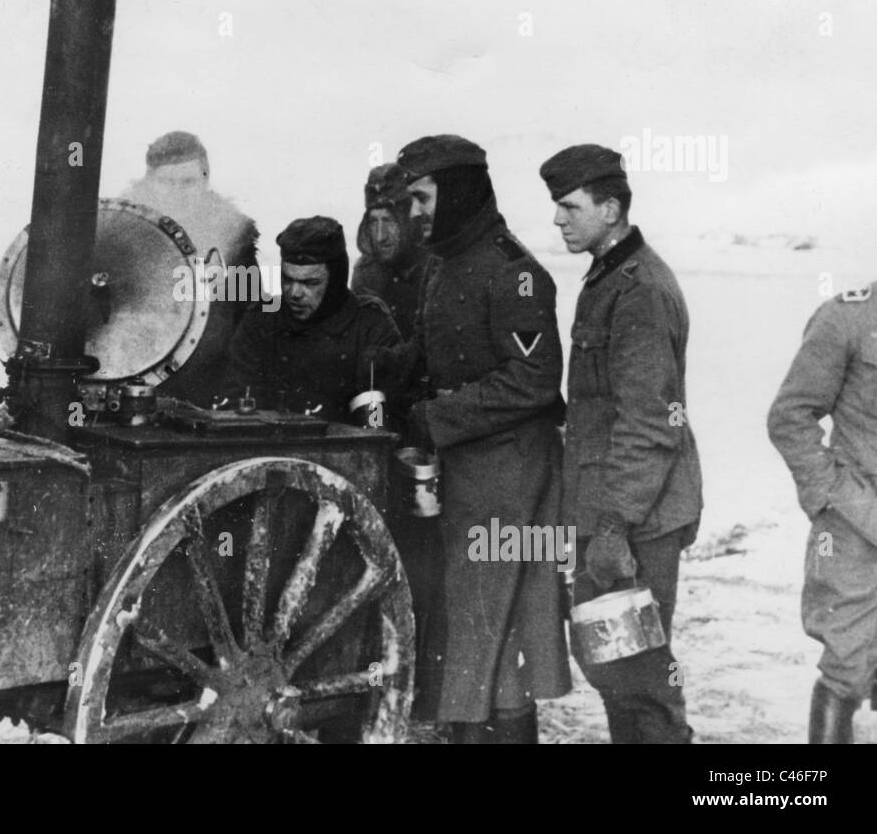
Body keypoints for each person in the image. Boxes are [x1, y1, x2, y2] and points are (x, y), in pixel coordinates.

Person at [372, 134, 569, 742]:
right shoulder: (445, 262)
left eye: (423, 198)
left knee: (488, 624)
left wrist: (439, 417)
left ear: (457, 191)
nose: (415, 213)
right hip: (468, 473)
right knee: (482, 627)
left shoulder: (516, 274)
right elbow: (433, 352)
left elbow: (535, 379)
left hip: (510, 481)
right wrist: (379, 372)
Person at [540, 143, 702, 744]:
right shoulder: (612, 277)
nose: (559, 219)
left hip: (637, 519)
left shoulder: (639, 290)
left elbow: (650, 423)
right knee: (615, 671)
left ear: (611, 209)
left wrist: (611, 530)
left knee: (642, 684)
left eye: (569, 206)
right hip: (618, 510)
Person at [767, 281, 877, 743]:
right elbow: (790, 416)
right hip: (858, 522)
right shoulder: (848, 318)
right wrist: (829, 497)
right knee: (847, 667)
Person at [120, 131, 259, 406]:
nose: (178, 192)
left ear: (205, 181)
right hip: (133, 385)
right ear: (149, 181)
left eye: (188, 182)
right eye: (167, 182)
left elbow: (252, 319)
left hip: (207, 390)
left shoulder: (235, 243)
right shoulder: (120, 236)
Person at [220, 216, 399, 419]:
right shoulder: (261, 321)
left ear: (335, 282)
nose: (295, 293)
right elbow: (235, 403)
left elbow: (380, 418)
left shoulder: (369, 325)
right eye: (287, 279)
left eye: (310, 283)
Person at [351, 163, 426, 339]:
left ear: (409, 220)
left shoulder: (436, 267)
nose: (379, 237)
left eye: (389, 221)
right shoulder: (366, 272)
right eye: (373, 222)